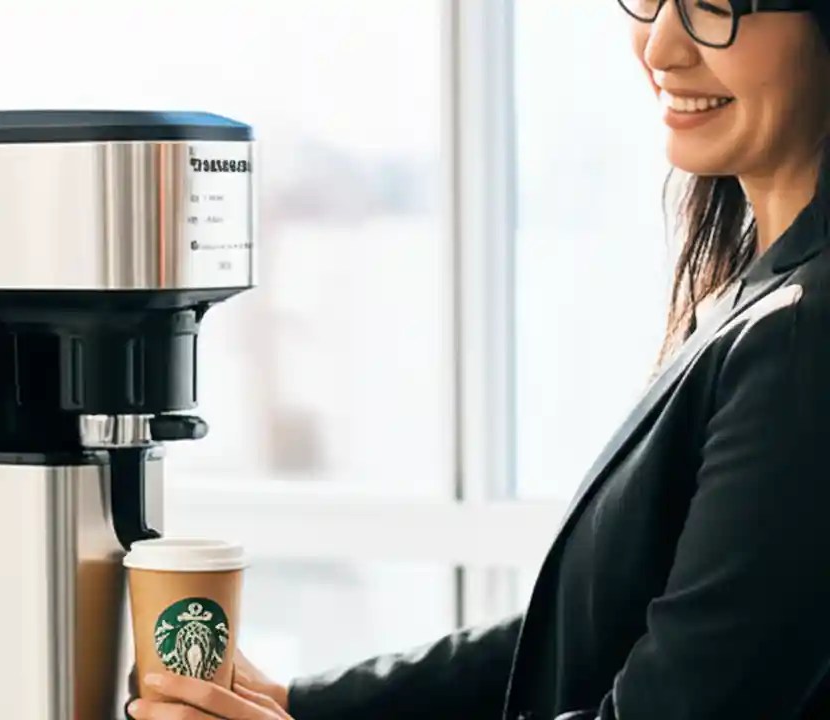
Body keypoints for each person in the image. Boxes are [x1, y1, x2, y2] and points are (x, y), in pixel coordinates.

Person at [126, 1, 830, 718]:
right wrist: (298, 704)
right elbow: (586, 639)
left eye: (717, 4)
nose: (661, 46)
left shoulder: (805, 337)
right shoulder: (760, 290)